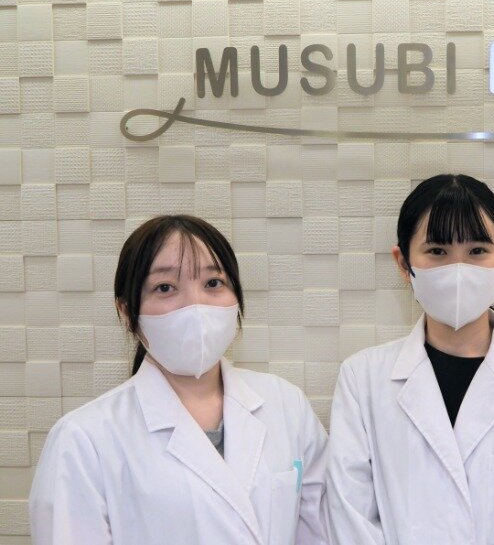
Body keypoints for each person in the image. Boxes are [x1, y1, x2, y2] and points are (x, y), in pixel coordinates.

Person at [29, 215, 329, 545]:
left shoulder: (286, 405)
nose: (195, 306)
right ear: (127, 312)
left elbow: (322, 531)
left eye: (213, 283)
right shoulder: (83, 439)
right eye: (165, 288)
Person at [326, 174, 494, 544]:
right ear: (403, 262)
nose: (458, 269)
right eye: (437, 251)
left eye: (477, 251)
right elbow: (351, 521)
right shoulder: (362, 380)